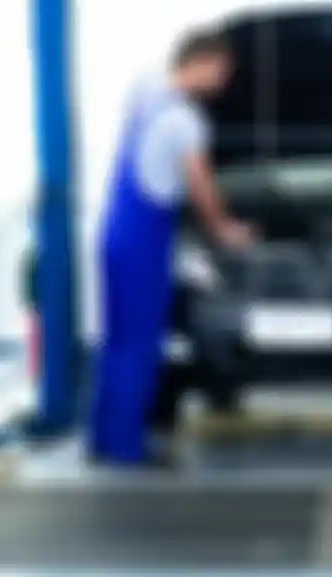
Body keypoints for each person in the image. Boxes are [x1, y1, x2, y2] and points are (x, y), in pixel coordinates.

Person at [90, 27, 253, 465]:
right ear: (203, 63)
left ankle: (104, 438)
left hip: (117, 231)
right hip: (144, 240)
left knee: (117, 340)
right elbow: (202, 187)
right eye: (222, 71)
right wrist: (224, 230)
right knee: (141, 343)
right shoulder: (185, 121)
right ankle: (126, 449)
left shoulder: (147, 92)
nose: (223, 82)